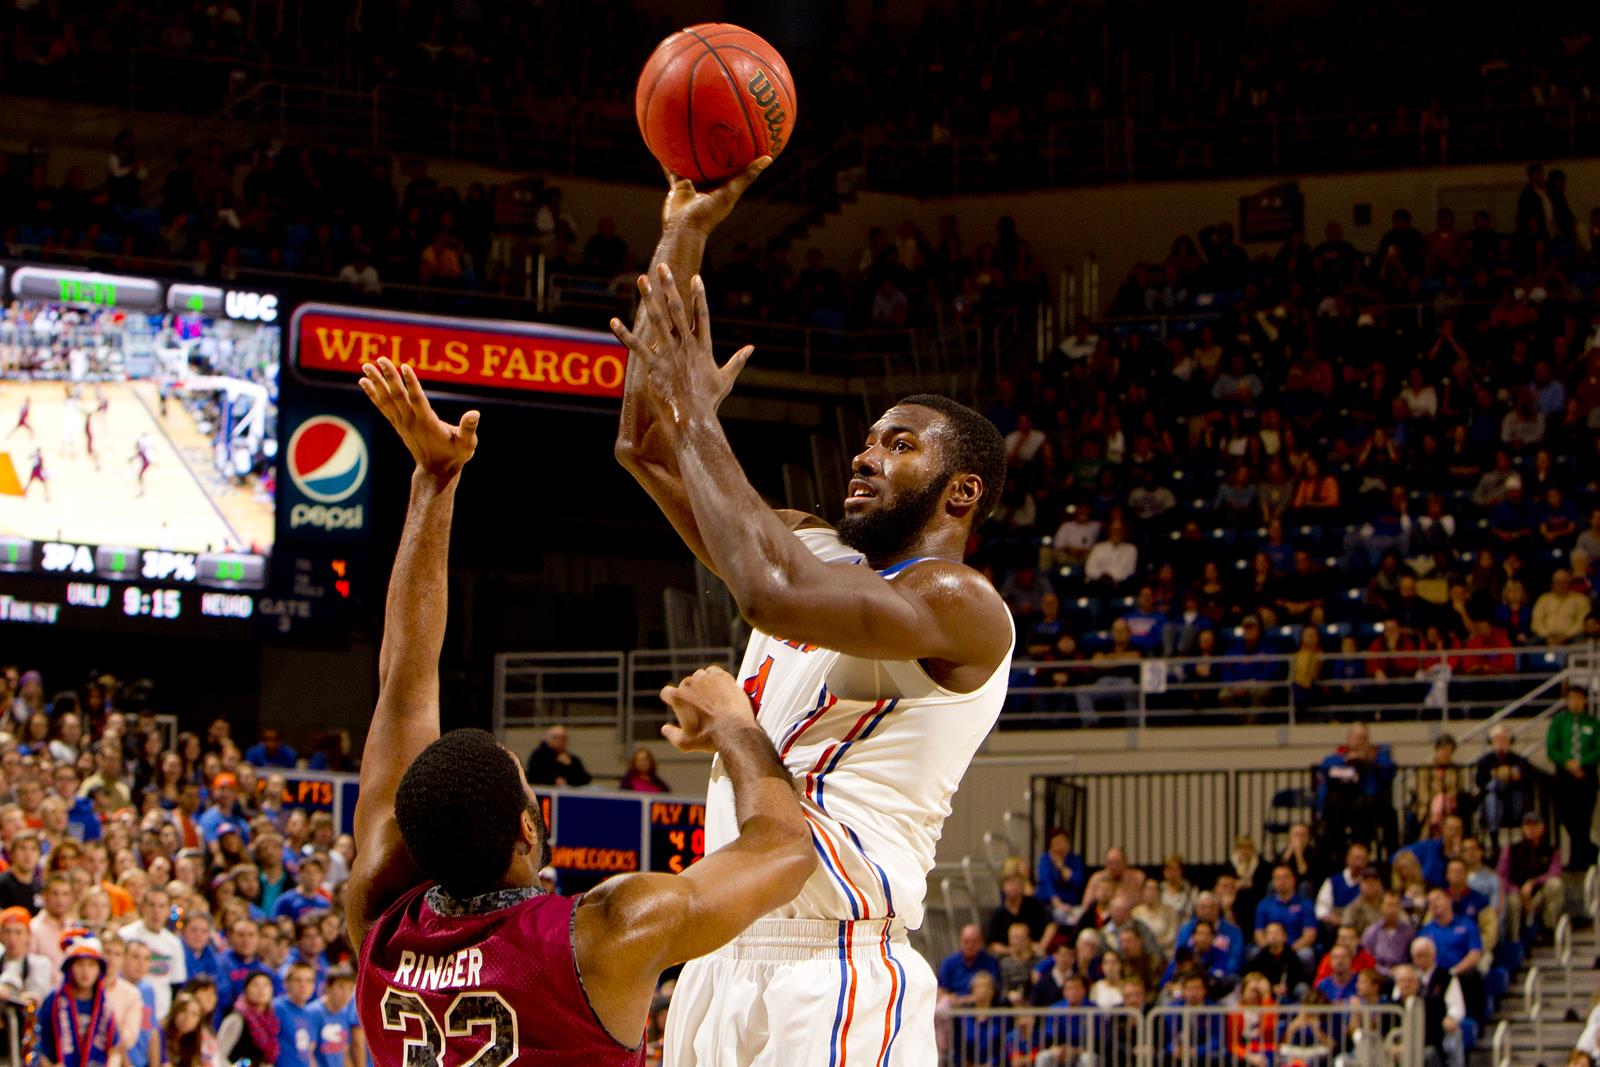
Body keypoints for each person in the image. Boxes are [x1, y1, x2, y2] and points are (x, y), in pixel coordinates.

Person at [611, 165, 1013, 1066]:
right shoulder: (815, 548)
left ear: (963, 491)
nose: (867, 457)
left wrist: (701, 421)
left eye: (899, 445)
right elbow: (642, 444)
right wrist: (683, 236)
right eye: (867, 440)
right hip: (720, 951)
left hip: (835, 964)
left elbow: (766, 588)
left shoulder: (960, 604)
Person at [346, 344, 815, 1062]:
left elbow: (405, 678)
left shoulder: (378, 918)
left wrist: (433, 478)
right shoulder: (605, 931)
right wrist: (737, 725)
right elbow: (784, 850)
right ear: (528, 834)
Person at [37, 937, 121, 1067]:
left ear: (99, 970)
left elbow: (114, 1049)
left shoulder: (104, 1006)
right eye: (80, 964)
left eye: (91, 965)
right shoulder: (54, 1000)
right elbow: (38, 1045)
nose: (85, 971)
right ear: (70, 968)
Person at [1548, 686, 1600, 869]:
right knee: (1566, 816)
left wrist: (1582, 763)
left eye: (1579, 698)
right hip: (1564, 776)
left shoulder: (1593, 723)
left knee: (1584, 818)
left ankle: (1577, 861)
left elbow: (1598, 749)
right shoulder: (1559, 722)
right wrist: (1567, 763)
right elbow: (1552, 748)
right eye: (1571, 698)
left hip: (1587, 775)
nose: (1575, 702)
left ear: (1585, 701)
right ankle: (1592, 852)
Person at [118, 888, 185, 1019]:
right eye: (151, 905)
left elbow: (176, 984)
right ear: (143, 907)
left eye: (161, 906)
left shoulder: (174, 943)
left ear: (168, 910)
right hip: (126, 1011)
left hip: (161, 1015)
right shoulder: (125, 935)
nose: (156, 910)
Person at [1498, 811, 1565, 939]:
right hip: (1517, 893)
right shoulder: (1511, 850)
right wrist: (1517, 891)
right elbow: (1501, 876)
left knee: (1556, 884)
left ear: (1542, 828)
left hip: (1539, 894)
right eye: (1528, 826)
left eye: (1535, 825)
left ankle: (1548, 929)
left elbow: (1555, 872)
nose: (1531, 829)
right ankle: (1515, 940)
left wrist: (1533, 882)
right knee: (1512, 902)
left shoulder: (1551, 850)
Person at [1476, 724, 1537, 832]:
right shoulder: (1485, 760)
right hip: (1493, 798)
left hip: (1513, 797)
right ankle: (1493, 831)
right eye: (1497, 739)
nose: (1501, 742)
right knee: (1492, 792)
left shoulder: (1519, 759)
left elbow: (1528, 776)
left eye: (1504, 739)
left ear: (1510, 741)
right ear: (1492, 741)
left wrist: (1511, 774)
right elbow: (1479, 780)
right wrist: (1495, 774)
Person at [216, 971, 278, 1066]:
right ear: (246, 990)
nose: (261, 990)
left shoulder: (272, 1022)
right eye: (255, 985)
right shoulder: (236, 1018)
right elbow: (219, 1054)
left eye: (266, 985)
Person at [985, 874, 1055, 953]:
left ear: (1022, 887)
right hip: (1009, 957)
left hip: (1035, 952)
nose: (1013, 888)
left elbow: (1051, 925)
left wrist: (1042, 945)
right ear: (1003, 889)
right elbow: (993, 945)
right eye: (1010, 885)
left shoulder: (1034, 904)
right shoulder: (998, 915)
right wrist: (1012, 951)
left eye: (1016, 884)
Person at [0, 904, 53, 1006]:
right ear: (1, 935)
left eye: (18, 932)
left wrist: (13, 996)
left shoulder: (41, 964)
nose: (12, 938)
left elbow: (38, 996)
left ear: (28, 935)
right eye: (7, 932)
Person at [311, 965, 363, 1067]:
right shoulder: (314, 1012)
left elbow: (344, 1053)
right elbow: (307, 1054)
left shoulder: (344, 1014)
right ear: (328, 987)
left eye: (350, 988)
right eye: (340, 986)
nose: (345, 993)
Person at [273, 960, 320, 1067]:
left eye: (309, 981)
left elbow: (309, 1052)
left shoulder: (312, 1013)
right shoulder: (277, 1008)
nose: (303, 985)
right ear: (286, 983)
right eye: (298, 980)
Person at [1035, 829, 1085, 924]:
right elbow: (1047, 884)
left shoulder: (1074, 859)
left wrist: (1062, 867)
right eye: (1057, 842)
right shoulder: (1045, 860)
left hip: (1071, 903)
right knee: (1059, 915)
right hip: (1050, 904)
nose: (1060, 845)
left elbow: (1078, 881)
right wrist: (1058, 904)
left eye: (1063, 841)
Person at [523, 726, 592, 788]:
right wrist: (554, 781)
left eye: (563, 738)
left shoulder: (572, 759)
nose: (560, 741)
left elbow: (585, 779)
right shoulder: (538, 756)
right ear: (549, 739)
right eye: (556, 738)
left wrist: (571, 765)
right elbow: (533, 777)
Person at [161, 992, 216, 1067]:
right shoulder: (160, 1033)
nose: (187, 1018)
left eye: (194, 1014)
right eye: (183, 1011)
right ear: (175, 1011)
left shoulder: (192, 1040)